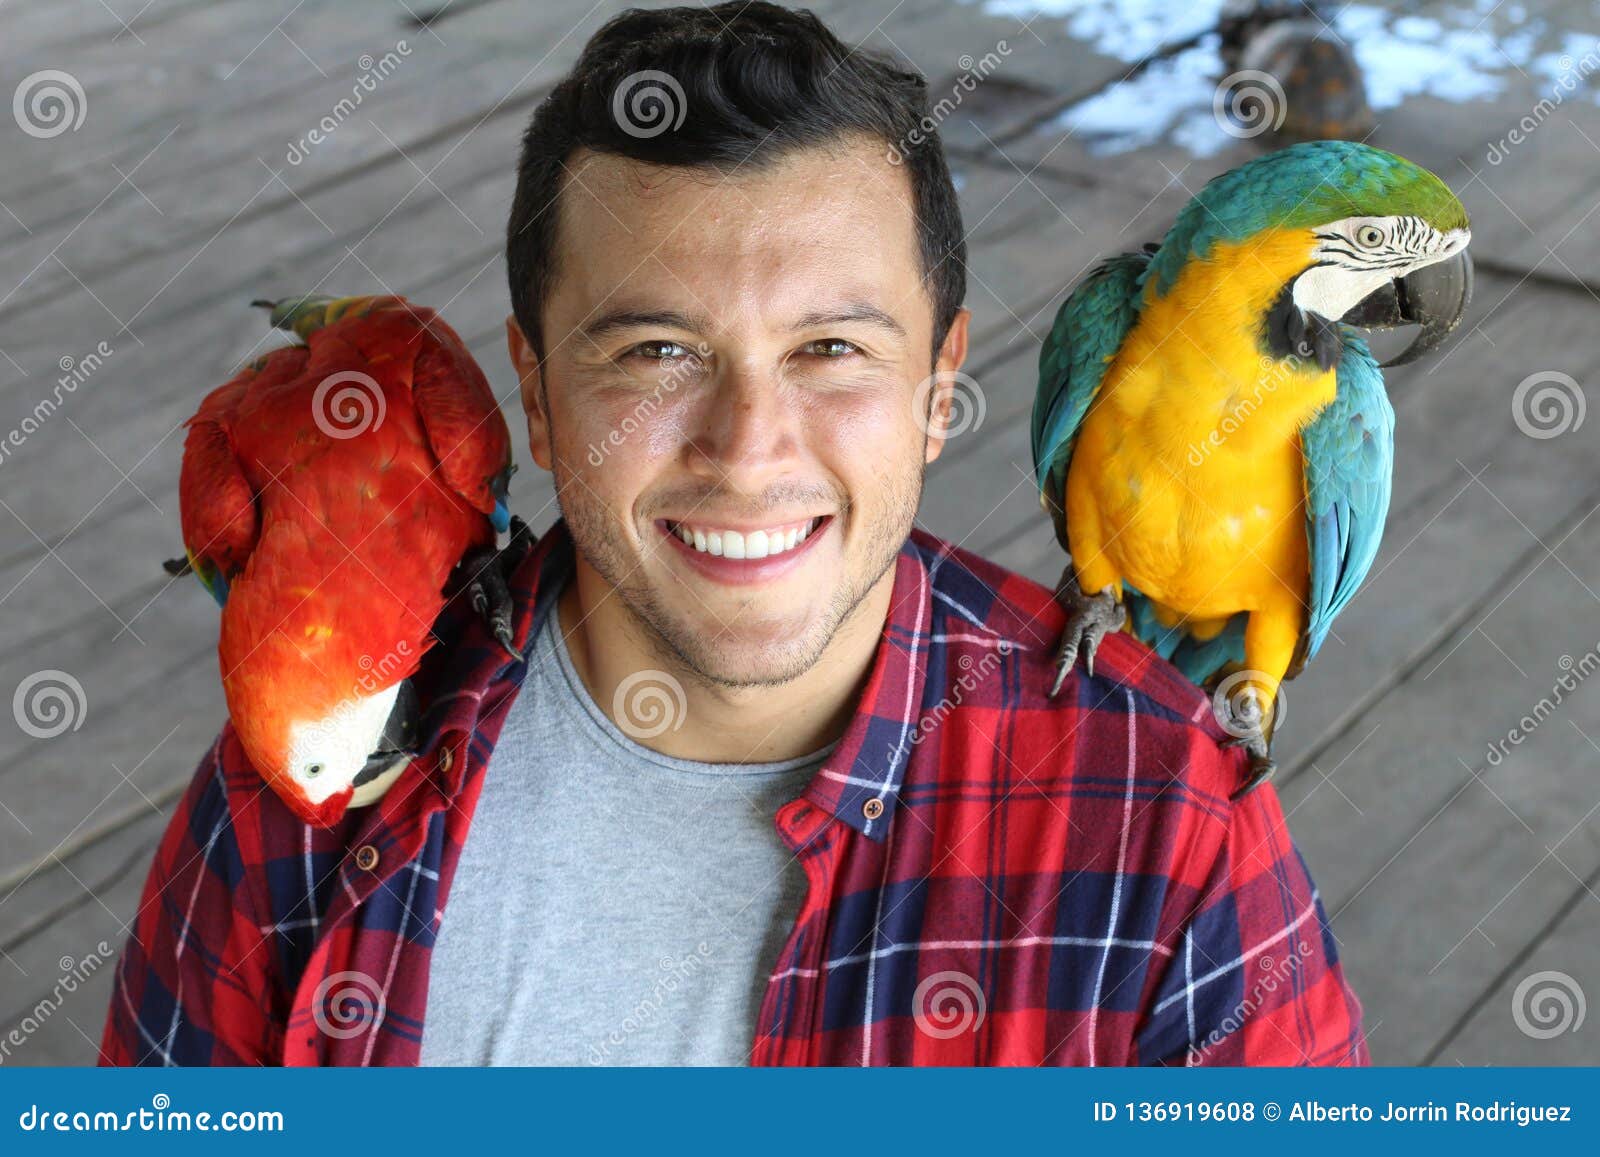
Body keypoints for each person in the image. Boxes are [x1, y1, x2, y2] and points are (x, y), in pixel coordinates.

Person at [101, 1, 1367, 1067]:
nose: (748, 446)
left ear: (940, 390)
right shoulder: (309, 785)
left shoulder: (1171, 832)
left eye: (830, 350)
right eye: (657, 351)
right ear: (534, 398)